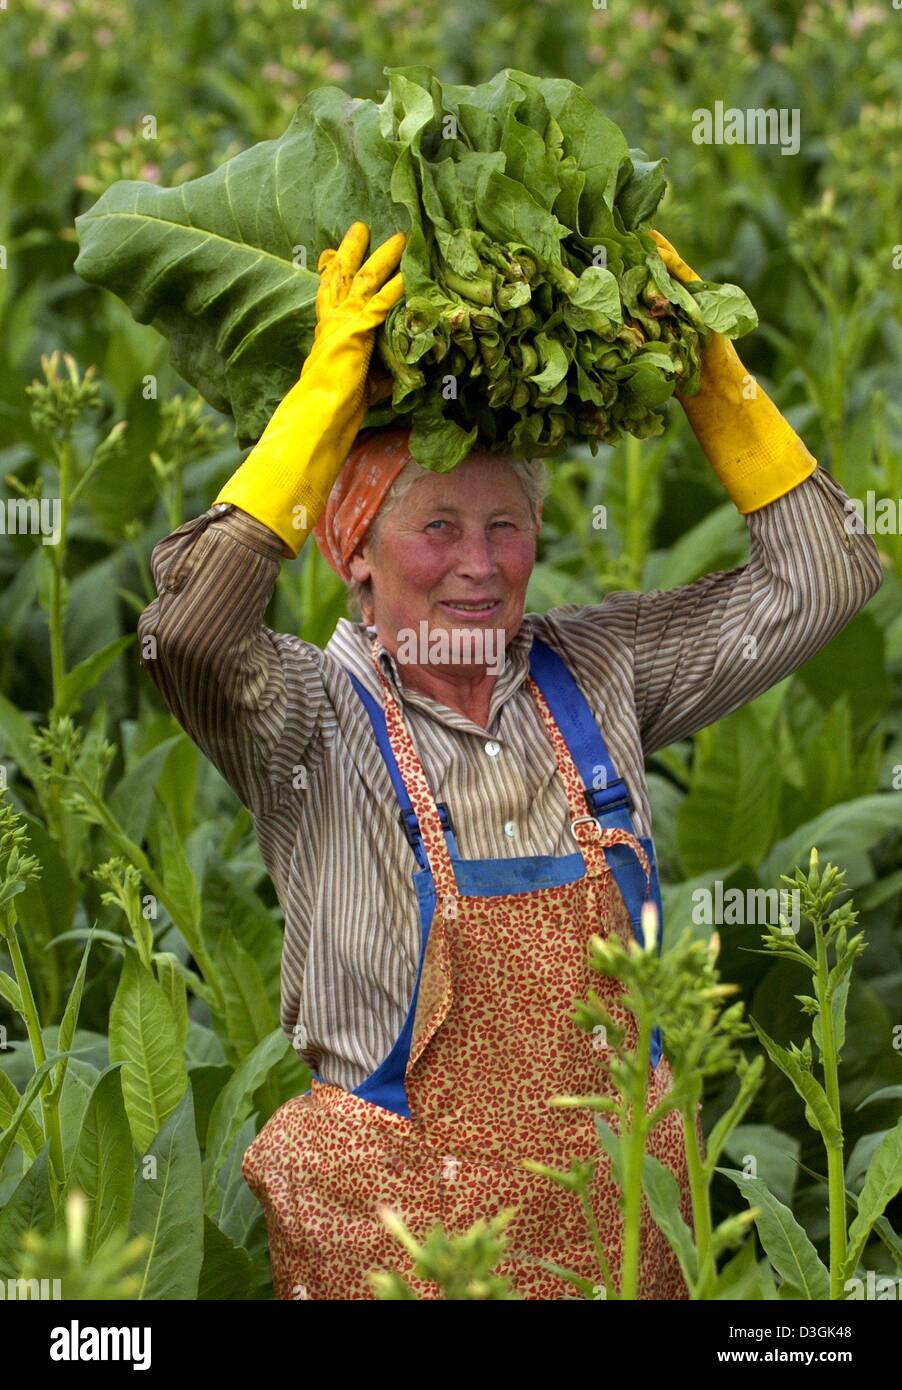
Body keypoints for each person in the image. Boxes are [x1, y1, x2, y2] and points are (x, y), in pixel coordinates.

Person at [137, 222, 883, 1300]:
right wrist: (321, 403)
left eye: (506, 525)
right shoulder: (301, 713)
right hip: (400, 1248)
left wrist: (711, 378)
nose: (479, 565)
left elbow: (823, 579)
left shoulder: (598, 670)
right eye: (436, 527)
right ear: (351, 550)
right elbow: (188, 632)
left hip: (616, 1234)